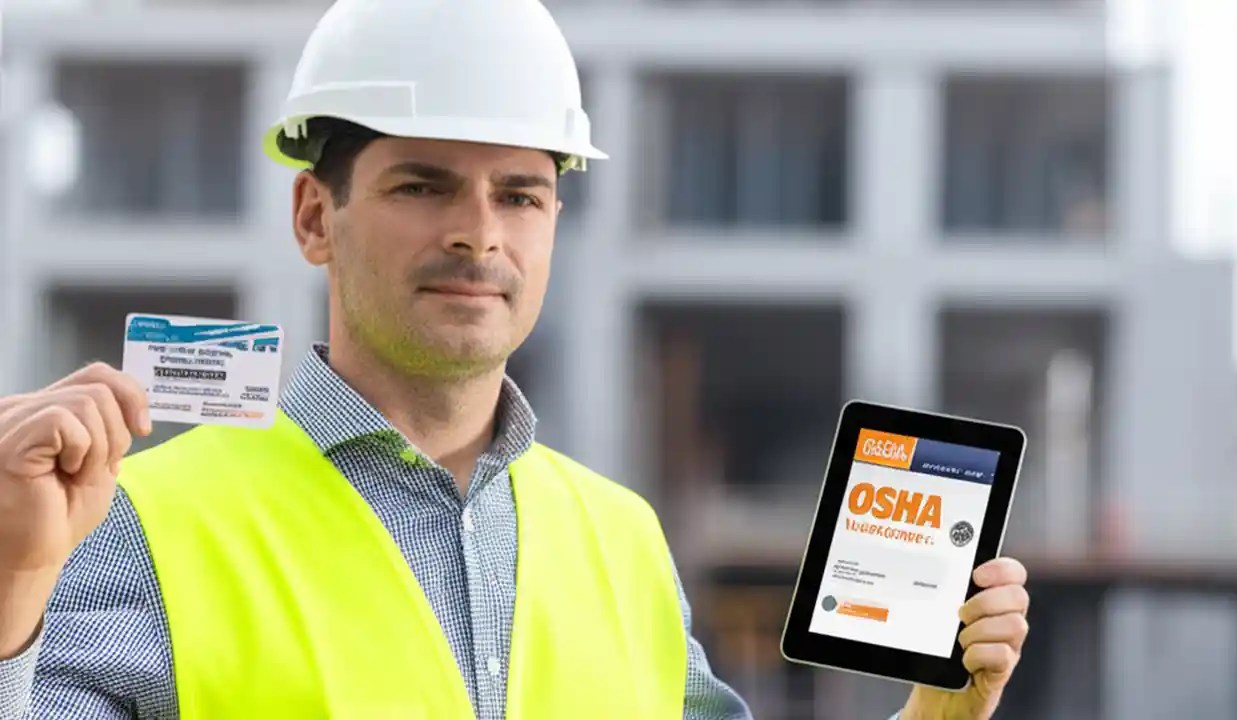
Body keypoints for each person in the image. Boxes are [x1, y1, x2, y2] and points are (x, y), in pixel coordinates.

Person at [0, 0, 1030, 717]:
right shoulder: (130, 528)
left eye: (520, 195)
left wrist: (934, 719)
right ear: (316, 215)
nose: (478, 234)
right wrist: (10, 582)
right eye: (422, 186)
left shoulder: (623, 544)